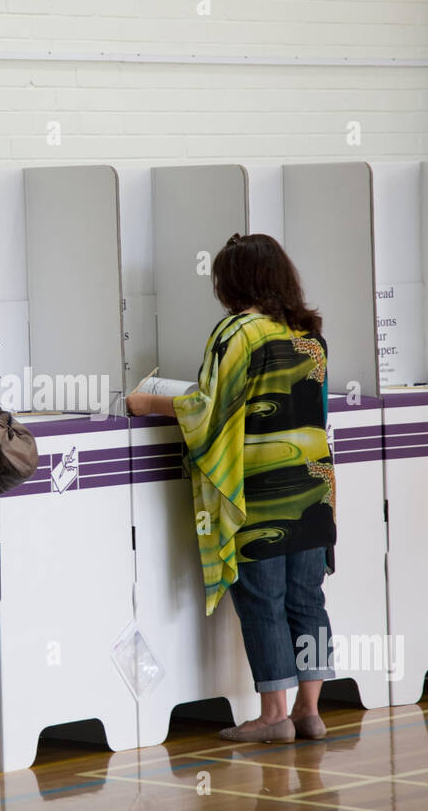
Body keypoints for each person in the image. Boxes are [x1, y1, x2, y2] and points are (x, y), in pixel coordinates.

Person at [127, 232, 338, 743]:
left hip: (260, 488)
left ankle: (273, 717)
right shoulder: (309, 333)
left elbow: (207, 407)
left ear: (234, 282)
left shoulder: (238, 332)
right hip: (315, 486)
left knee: (262, 600)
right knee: (309, 599)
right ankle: (310, 711)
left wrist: (148, 402)